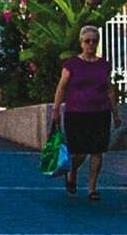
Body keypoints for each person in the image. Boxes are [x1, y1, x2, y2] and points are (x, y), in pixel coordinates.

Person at [51, 25, 122, 200]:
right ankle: (72, 173)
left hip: (99, 112)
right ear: (81, 43)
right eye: (87, 41)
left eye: (94, 41)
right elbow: (62, 87)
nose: (91, 44)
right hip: (76, 113)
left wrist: (115, 113)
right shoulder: (72, 64)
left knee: (97, 151)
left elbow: (109, 90)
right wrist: (56, 110)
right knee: (79, 151)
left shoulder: (103, 65)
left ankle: (92, 188)